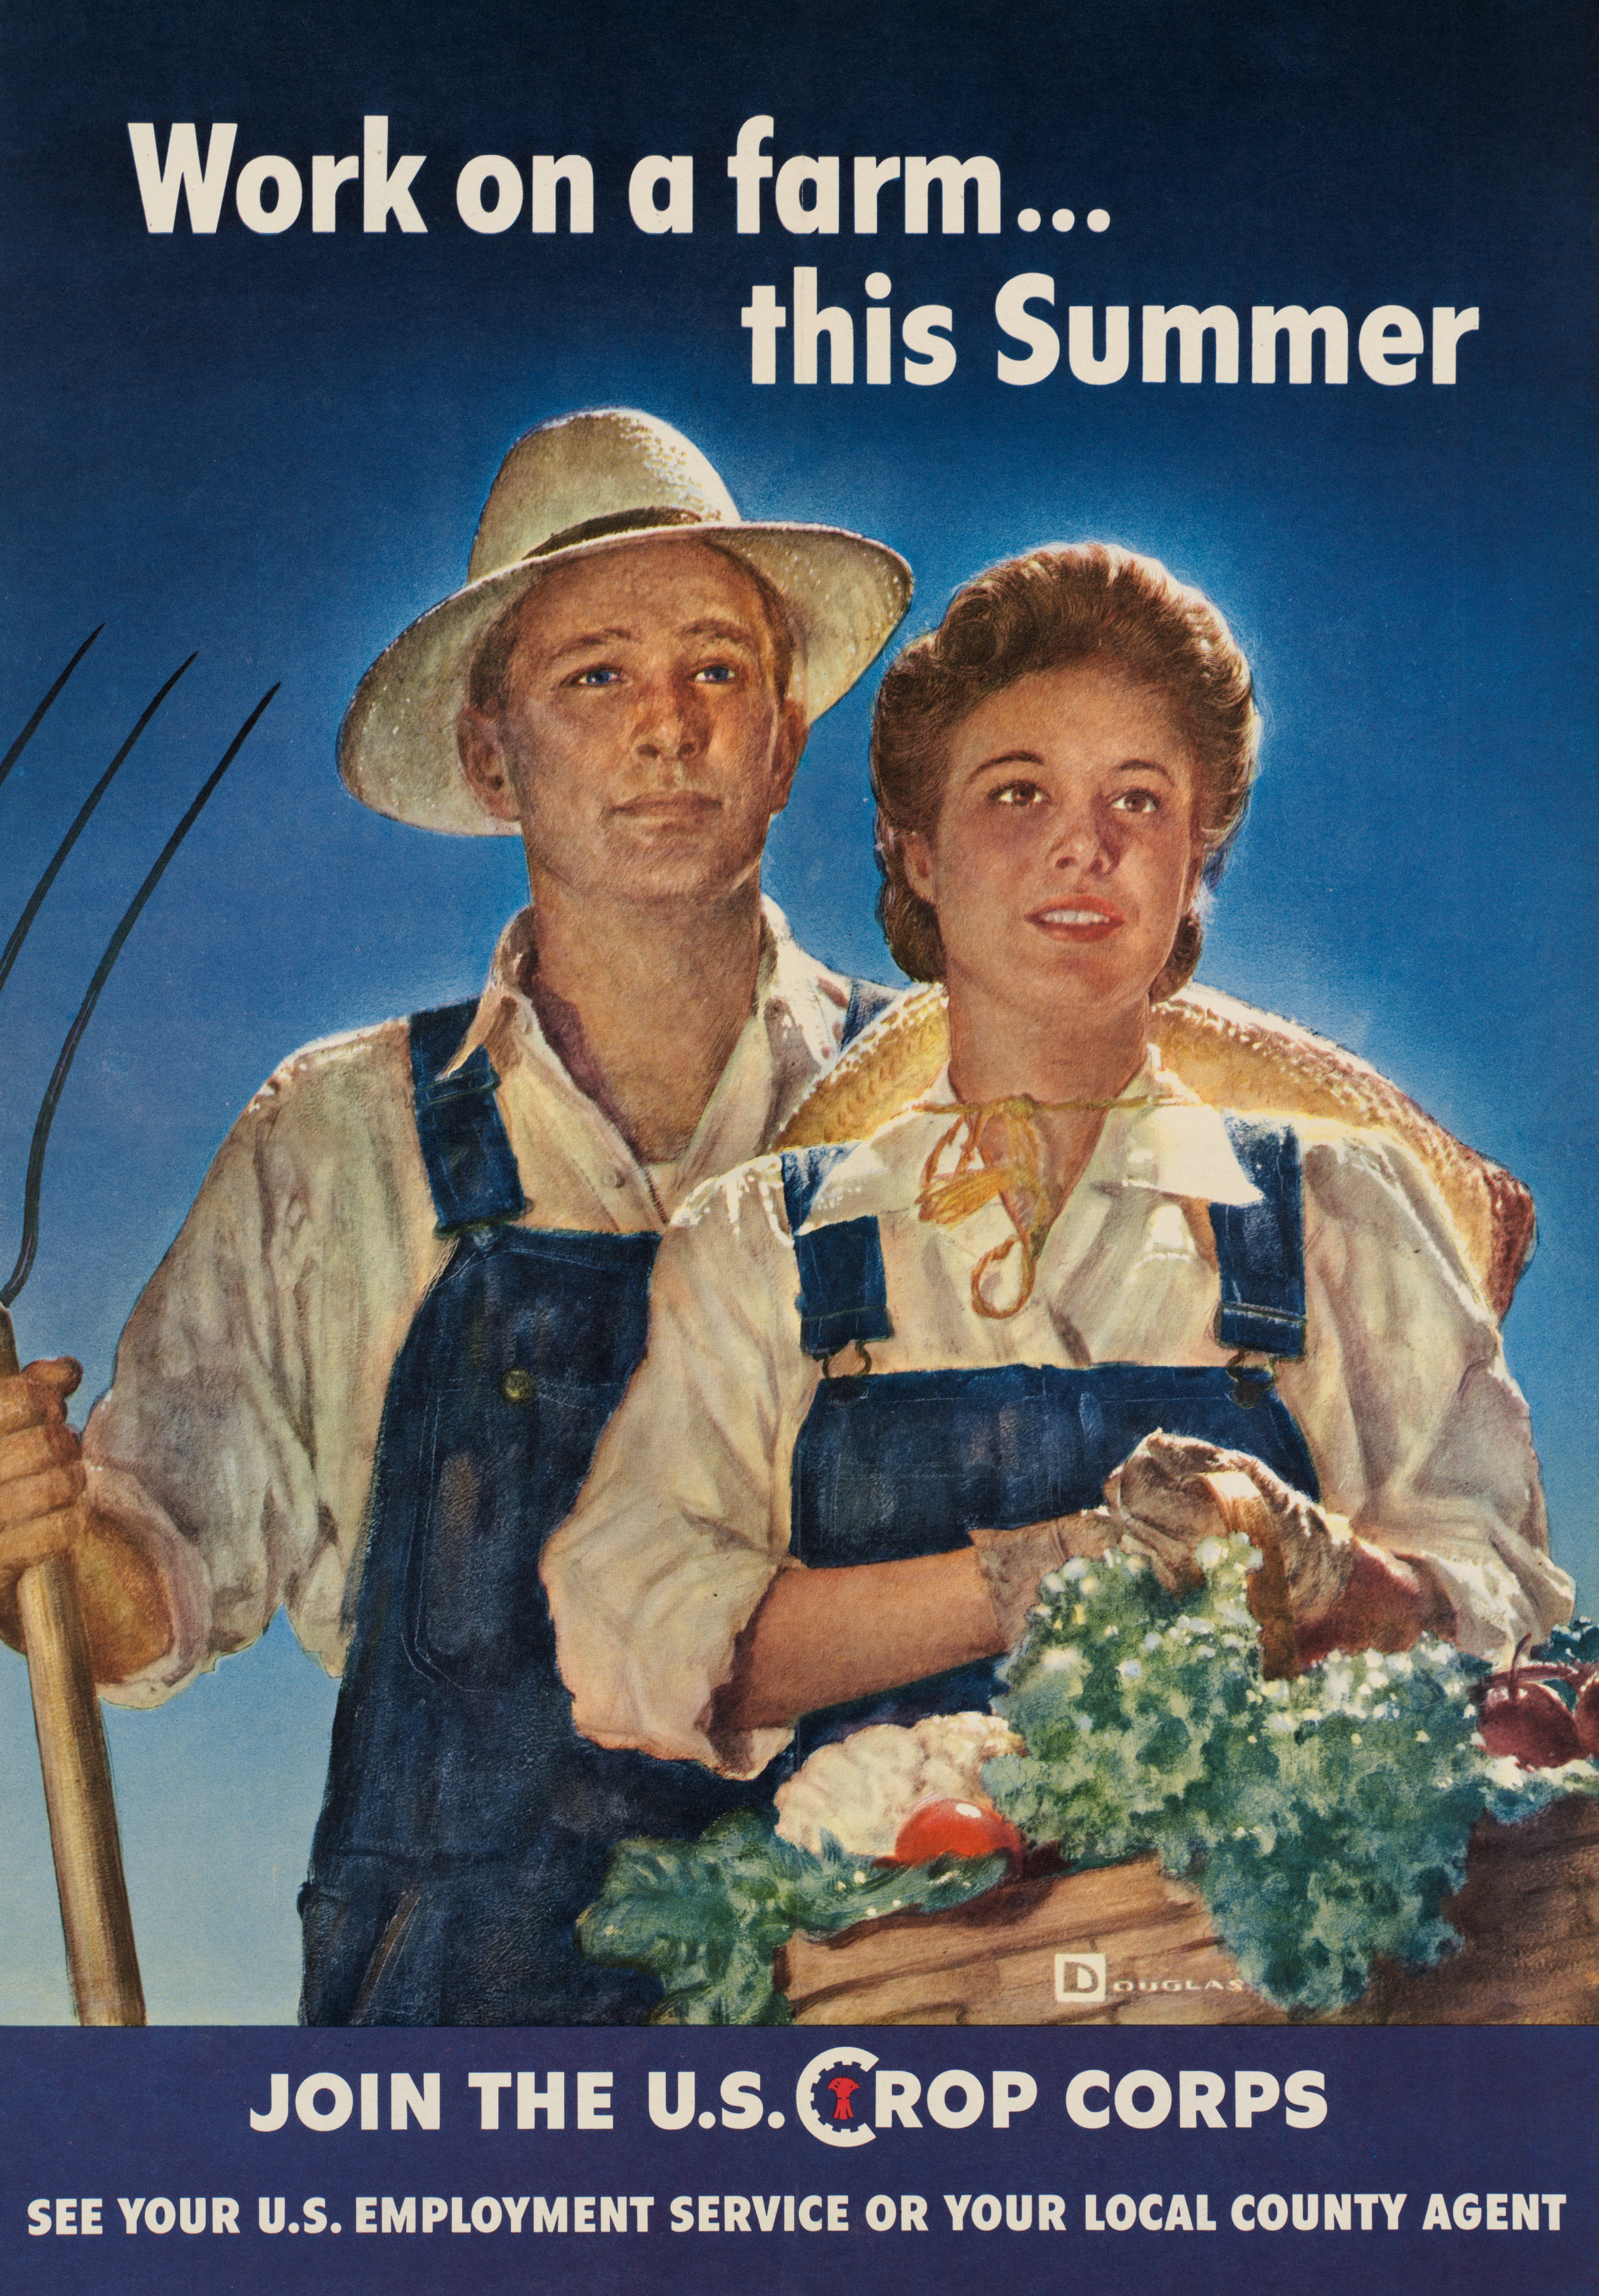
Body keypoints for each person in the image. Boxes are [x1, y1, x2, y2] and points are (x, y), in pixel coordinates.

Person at [0, 407, 912, 2023]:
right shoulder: (333, 1142)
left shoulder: (931, 1105)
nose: (665, 729)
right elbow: (148, 1593)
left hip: (882, 2008)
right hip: (462, 2064)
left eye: (715, 672)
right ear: (495, 756)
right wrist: (31, 1532)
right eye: (594, 679)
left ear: (781, 740)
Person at [542, 542, 1572, 1794]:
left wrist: (1331, 1577)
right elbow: (628, 1640)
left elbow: (1511, 1618)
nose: (1085, 848)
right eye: (1018, 794)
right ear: (917, 852)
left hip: (1254, 1981)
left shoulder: (1344, 1211)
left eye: (1138, 800)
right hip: (901, 1964)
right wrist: (1015, 1581)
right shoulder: (764, 1243)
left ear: (1198, 857)